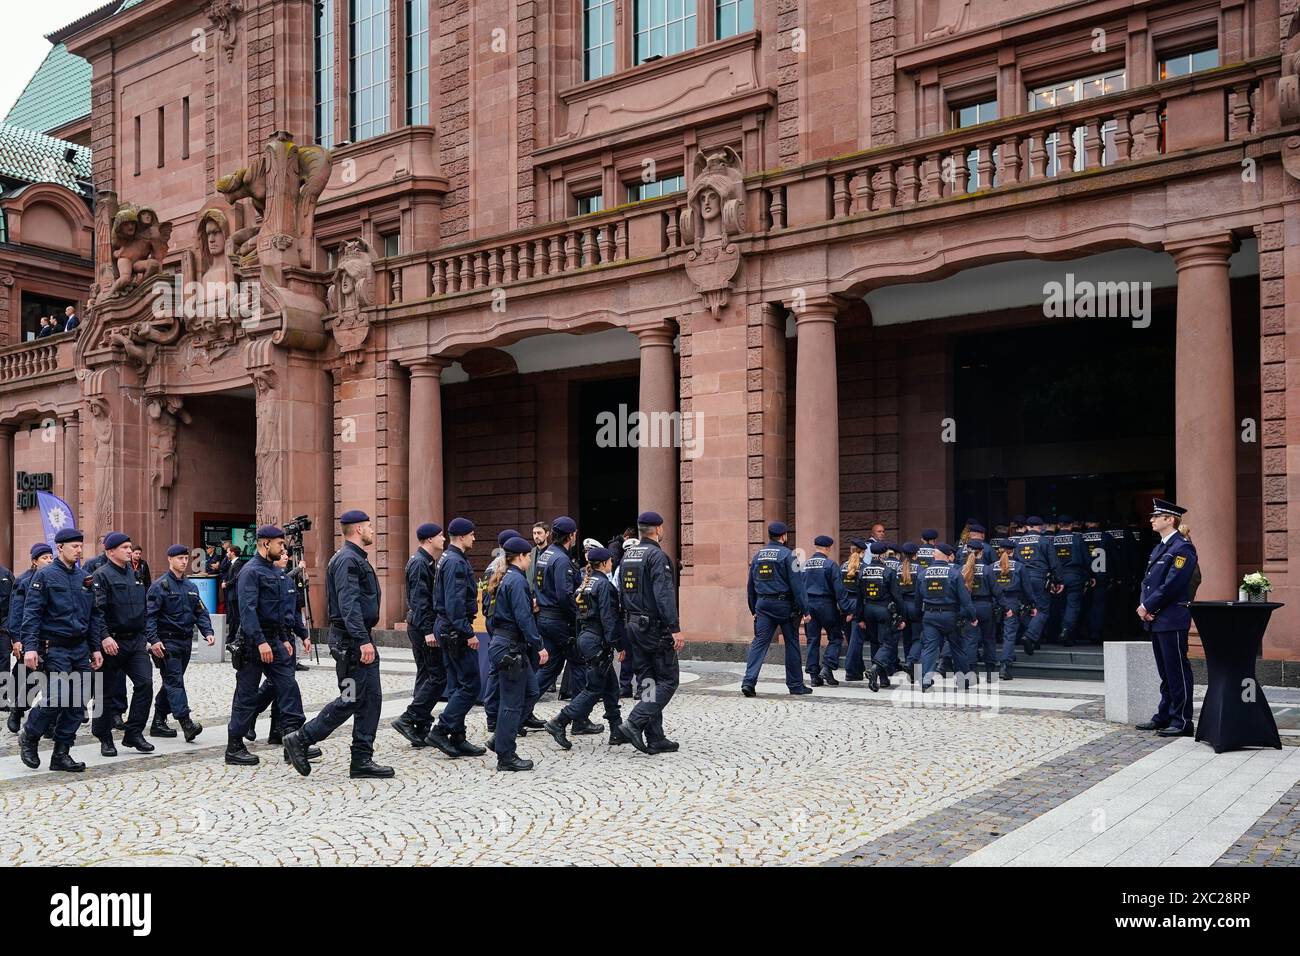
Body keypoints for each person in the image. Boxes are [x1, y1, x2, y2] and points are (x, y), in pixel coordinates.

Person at [284, 510, 390, 778]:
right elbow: (349, 604)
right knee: (350, 698)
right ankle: (302, 738)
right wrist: (362, 640)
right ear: (357, 530)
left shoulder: (354, 558)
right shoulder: (347, 560)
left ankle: (361, 760)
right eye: (368, 527)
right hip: (351, 643)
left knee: (371, 700)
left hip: (357, 640)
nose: (372, 531)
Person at [17, 529, 104, 772]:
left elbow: (94, 615)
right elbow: (31, 614)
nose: (78, 550)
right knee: (56, 698)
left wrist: (95, 648)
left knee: (78, 704)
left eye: (80, 546)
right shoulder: (44, 576)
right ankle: (30, 736)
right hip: (54, 648)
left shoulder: (85, 577)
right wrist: (31, 648)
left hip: (80, 648)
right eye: (74, 546)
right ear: (60, 548)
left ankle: (61, 754)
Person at [224, 526, 306, 766]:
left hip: (275, 639)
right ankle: (235, 746)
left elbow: (280, 610)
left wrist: (282, 639)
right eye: (280, 544)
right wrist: (261, 642)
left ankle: (294, 741)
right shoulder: (250, 572)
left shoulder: (276, 572)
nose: (284, 548)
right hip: (253, 642)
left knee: (288, 688)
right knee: (247, 694)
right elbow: (247, 610)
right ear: (265, 543)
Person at [543, 546, 626, 749]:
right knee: (593, 688)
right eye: (610, 561)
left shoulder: (585, 584)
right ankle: (559, 721)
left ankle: (616, 730)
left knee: (610, 686)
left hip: (586, 638)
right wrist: (619, 645)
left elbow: (579, 616)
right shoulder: (604, 585)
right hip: (598, 640)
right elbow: (609, 618)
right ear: (606, 563)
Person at [616, 511, 683, 755]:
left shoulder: (627, 555)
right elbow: (663, 595)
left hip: (632, 624)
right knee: (668, 680)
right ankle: (634, 722)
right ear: (657, 529)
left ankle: (656, 737)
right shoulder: (657, 556)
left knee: (648, 679)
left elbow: (621, 592)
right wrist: (674, 628)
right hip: (654, 627)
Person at [1134, 499, 1199, 738]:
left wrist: (1149, 605)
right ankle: (1164, 714)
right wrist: (1144, 606)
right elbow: (1148, 581)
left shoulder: (1182, 547)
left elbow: (1173, 584)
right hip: (1156, 617)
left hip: (1172, 617)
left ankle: (1182, 720)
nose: (1151, 520)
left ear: (1169, 519)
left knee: (1176, 669)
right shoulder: (1161, 547)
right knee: (1165, 671)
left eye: (1155, 516)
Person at [423, 517, 487, 758]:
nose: (474, 538)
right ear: (461, 536)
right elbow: (454, 603)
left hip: (448, 627)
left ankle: (457, 737)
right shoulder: (456, 562)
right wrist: (467, 632)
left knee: (460, 684)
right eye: (471, 534)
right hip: (455, 629)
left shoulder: (448, 559)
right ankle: (441, 730)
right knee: (471, 685)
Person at [487, 536, 550, 771]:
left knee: (531, 691)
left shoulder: (507, 578)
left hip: (507, 643)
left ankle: (501, 738)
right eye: (529, 557)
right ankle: (506, 756)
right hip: (511, 646)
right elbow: (523, 619)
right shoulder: (517, 580)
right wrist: (539, 645)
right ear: (523, 557)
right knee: (512, 702)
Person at [89, 532, 154, 756]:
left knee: (145, 684)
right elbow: (97, 611)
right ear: (110, 551)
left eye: (129, 547)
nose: (129, 550)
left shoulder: (135, 574)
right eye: (124, 547)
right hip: (112, 641)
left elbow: (143, 608)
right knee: (105, 693)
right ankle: (104, 737)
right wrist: (104, 637)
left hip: (135, 641)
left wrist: (147, 637)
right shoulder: (101, 576)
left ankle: (134, 732)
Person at [530, 516, 598, 733]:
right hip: (560, 619)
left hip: (545, 618)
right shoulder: (560, 559)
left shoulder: (546, 554)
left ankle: (520, 712)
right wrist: (578, 616)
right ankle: (579, 720)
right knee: (578, 665)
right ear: (572, 535)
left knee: (549, 667)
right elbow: (564, 594)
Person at [146, 544, 215, 741]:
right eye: (179, 558)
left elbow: (200, 612)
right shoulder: (160, 586)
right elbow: (149, 616)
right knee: (175, 682)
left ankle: (158, 721)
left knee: (171, 682)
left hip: (184, 642)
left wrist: (207, 632)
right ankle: (186, 722)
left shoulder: (191, 587)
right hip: (167, 642)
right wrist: (154, 640)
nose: (184, 562)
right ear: (170, 559)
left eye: (186, 558)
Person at [392, 522, 447, 748]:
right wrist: (427, 631)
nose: (443, 539)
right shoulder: (419, 563)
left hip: (422, 623)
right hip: (422, 625)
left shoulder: (427, 562)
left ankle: (420, 724)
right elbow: (419, 600)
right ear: (429, 539)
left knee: (426, 675)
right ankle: (409, 718)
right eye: (440, 536)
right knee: (437, 676)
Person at [742, 521, 810, 697]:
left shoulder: (758, 556)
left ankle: (749, 681)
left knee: (759, 642)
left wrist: (753, 608)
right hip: (785, 606)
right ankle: (796, 686)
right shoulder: (790, 555)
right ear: (784, 536)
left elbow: (750, 585)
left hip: (763, 605)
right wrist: (805, 610)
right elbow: (798, 585)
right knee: (792, 644)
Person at [5, 543, 54, 733]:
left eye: (51, 557)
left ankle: (49, 722)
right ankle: (18, 709)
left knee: (53, 682)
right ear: (34, 561)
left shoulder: (56, 579)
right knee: (33, 679)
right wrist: (16, 639)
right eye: (44, 558)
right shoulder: (24, 581)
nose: (49, 561)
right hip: (31, 637)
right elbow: (17, 612)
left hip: (53, 638)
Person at [915, 543, 977, 691]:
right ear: (947, 556)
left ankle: (925, 680)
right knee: (957, 648)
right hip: (950, 616)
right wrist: (972, 616)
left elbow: (918, 599)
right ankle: (963, 681)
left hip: (929, 615)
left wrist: (920, 615)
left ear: (935, 555)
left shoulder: (923, 573)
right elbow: (965, 599)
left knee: (930, 648)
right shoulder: (954, 573)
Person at [481, 529, 523, 739]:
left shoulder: (496, 565)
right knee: (498, 670)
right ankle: (492, 716)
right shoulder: (501, 567)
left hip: (494, 619)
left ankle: (497, 715)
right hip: (500, 623)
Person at [800, 535, 846, 688]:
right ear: (828, 548)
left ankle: (814, 676)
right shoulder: (830, 565)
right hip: (826, 605)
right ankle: (827, 667)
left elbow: (799, 588)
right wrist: (846, 608)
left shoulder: (805, 565)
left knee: (812, 640)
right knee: (836, 637)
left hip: (809, 605)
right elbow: (839, 589)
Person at [862, 542, 907, 691]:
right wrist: (902, 616)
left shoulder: (863, 570)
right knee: (888, 642)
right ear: (883, 555)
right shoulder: (888, 571)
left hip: (868, 610)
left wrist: (859, 616)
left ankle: (882, 678)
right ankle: (875, 669)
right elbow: (897, 596)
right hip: (884, 610)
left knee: (875, 642)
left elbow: (858, 595)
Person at [989, 538, 1032, 680]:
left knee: (989, 634)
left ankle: (990, 666)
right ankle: (1005, 666)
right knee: (1009, 634)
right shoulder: (1019, 566)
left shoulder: (991, 567)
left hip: (994, 601)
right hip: (1012, 601)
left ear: (999, 551)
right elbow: (1027, 588)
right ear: (1013, 551)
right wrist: (1033, 603)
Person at [958, 524, 997, 679]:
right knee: (989, 639)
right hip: (986, 606)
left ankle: (970, 673)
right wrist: (1005, 606)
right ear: (981, 552)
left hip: (969, 607)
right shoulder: (987, 569)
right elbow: (997, 590)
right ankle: (990, 674)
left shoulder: (962, 570)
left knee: (970, 640)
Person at [1014, 516, 1055, 654]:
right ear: (1041, 526)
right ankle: (1030, 636)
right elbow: (1053, 562)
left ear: (1027, 526)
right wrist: (1059, 580)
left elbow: (1014, 561)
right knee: (1042, 610)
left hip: (1021, 578)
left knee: (1026, 609)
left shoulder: (1019, 542)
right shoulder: (1044, 540)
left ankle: (1033, 640)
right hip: (1038, 578)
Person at [1049, 515, 1090, 646]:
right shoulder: (1078, 538)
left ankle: (1056, 633)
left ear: (1059, 525)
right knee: (1072, 605)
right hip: (1074, 575)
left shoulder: (1052, 540)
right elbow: (1086, 559)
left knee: (1059, 606)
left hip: (1057, 576)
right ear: (1071, 525)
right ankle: (1066, 631)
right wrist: (1091, 575)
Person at [835, 539, 866, 683]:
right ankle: (850, 670)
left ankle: (858, 670)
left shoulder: (842, 567)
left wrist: (844, 607)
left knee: (851, 639)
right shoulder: (864, 567)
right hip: (857, 605)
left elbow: (839, 589)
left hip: (844, 605)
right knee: (856, 641)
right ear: (863, 552)